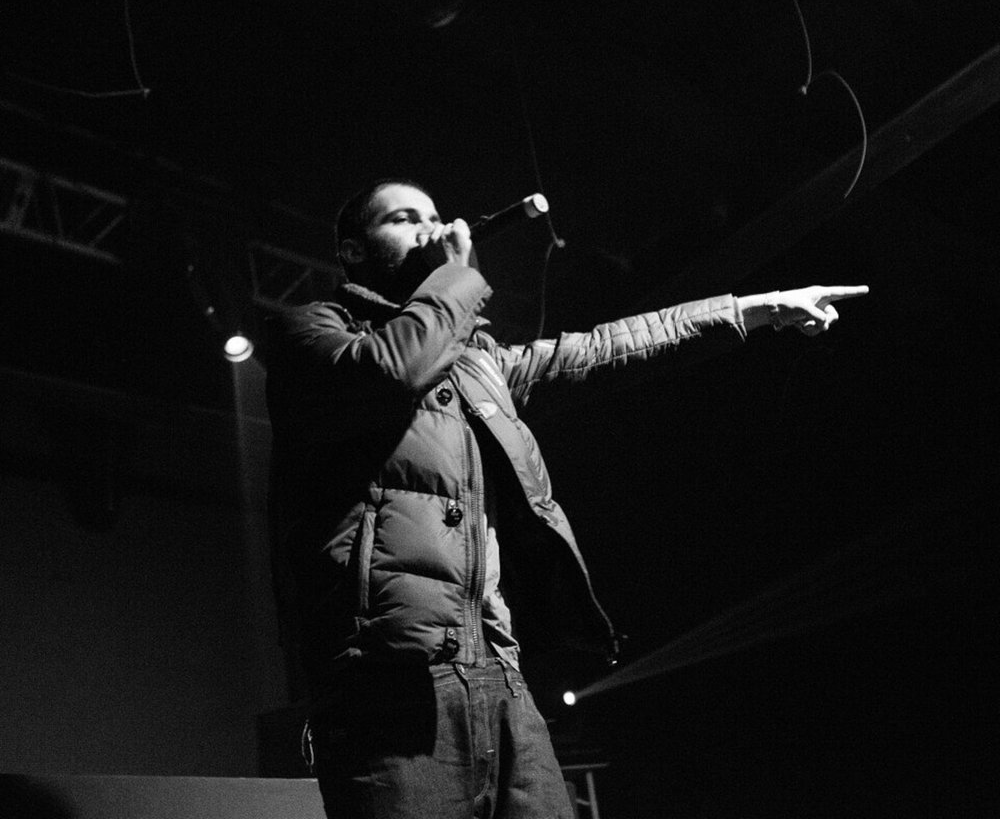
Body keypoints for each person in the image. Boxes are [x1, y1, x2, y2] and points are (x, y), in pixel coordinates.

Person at [264, 178, 868, 819]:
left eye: (433, 215)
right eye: (404, 218)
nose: (429, 228)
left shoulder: (478, 364)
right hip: (387, 681)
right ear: (353, 251)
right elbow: (392, 370)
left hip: (498, 672)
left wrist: (753, 309)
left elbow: (609, 346)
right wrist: (458, 276)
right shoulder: (311, 331)